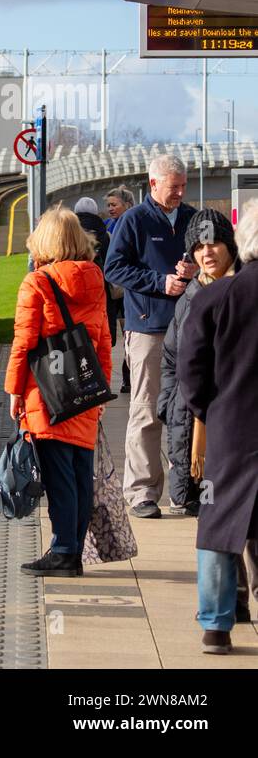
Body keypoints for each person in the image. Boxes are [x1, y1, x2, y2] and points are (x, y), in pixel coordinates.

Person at [6, 208, 112, 577]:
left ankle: (64, 551)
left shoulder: (36, 283)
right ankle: (74, 549)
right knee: (79, 473)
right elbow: (103, 340)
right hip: (85, 385)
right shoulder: (95, 278)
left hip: (46, 391)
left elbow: (23, 344)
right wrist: (102, 389)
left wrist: (14, 392)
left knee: (59, 476)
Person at [176, 199, 258, 654]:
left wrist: (209, 410)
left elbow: (190, 371)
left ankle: (215, 625)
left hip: (229, 429)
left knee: (217, 525)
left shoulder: (213, 297)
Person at [103, 154, 197, 518]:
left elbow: (216, 257)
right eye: (173, 186)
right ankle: (142, 491)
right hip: (148, 328)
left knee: (188, 411)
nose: (179, 192)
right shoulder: (133, 220)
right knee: (147, 410)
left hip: (191, 326)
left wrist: (194, 268)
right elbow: (114, 267)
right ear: (153, 183)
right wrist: (160, 282)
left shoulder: (192, 218)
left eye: (183, 186)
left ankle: (185, 489)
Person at [157, 209, 237, 518]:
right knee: (200, 513)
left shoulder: (242, 292)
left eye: (214, 243)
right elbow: (170, 356)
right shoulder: (190, 296)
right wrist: (167, 402)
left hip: (228, 419)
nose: (207, 253)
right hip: (187, 419)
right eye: (199, 247)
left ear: (230, 245)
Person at [105, 186, 137, 392]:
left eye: (114, 205)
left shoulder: (135, 225)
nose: (110, 209)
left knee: (129, 335)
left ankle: (128, 378)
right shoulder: (107, 225)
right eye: (108, 205)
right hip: (111, 288)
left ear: (127, 205)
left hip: (126, 289)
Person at [73, 197, 110, 268]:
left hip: (74, 273)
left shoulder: (70, 230)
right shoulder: (104, 233)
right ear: (95, 211)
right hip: (97, 274)